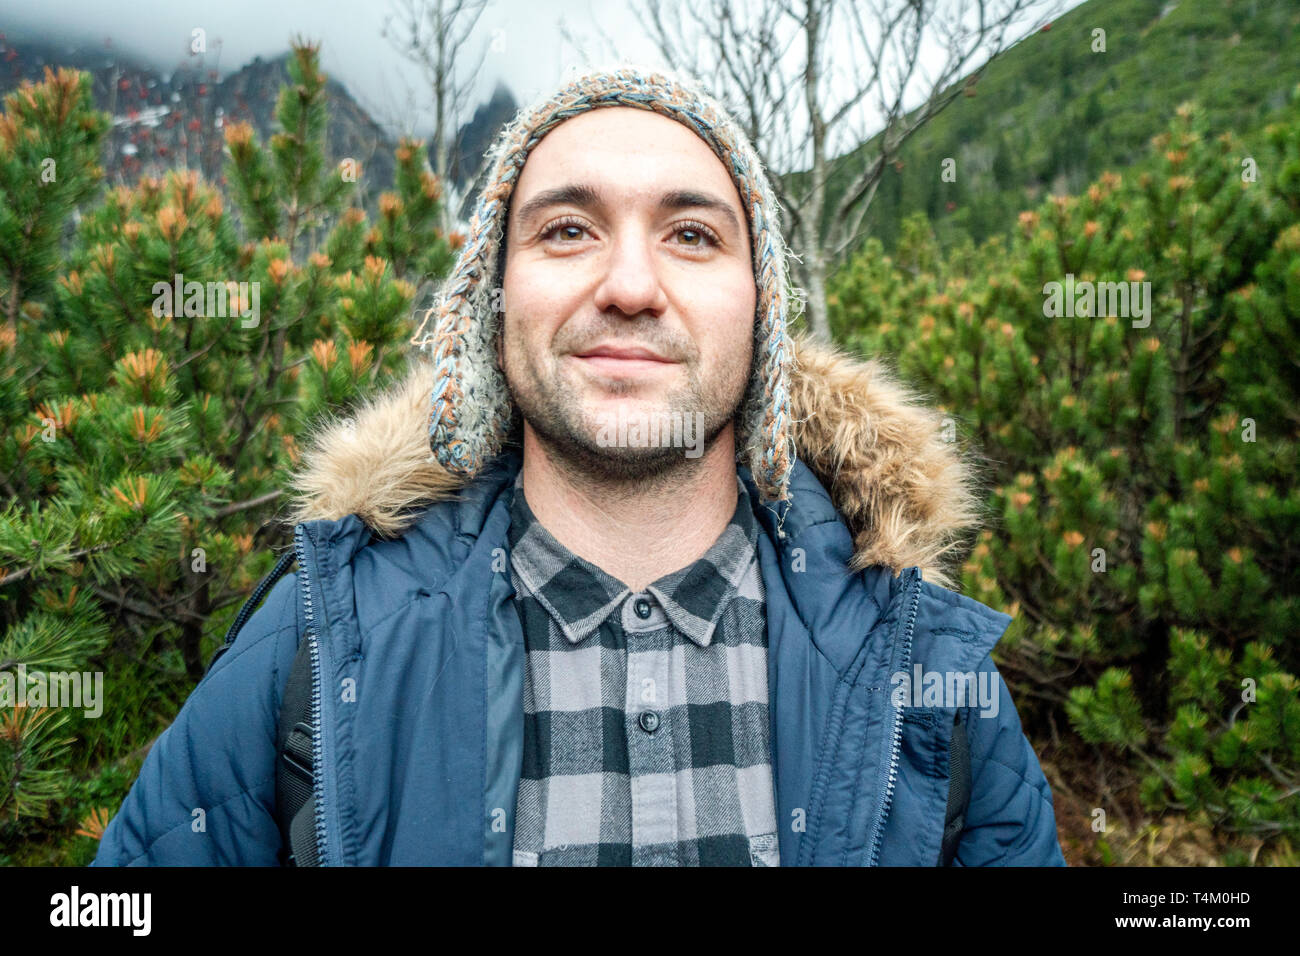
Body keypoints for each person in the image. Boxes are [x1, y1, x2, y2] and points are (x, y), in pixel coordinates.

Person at [93, 64, 1066, 866]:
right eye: (566, 229)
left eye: (691, 235)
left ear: (762, 309)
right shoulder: (319, 639)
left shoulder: (923, 663)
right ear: (493, 300)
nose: (631, 285)